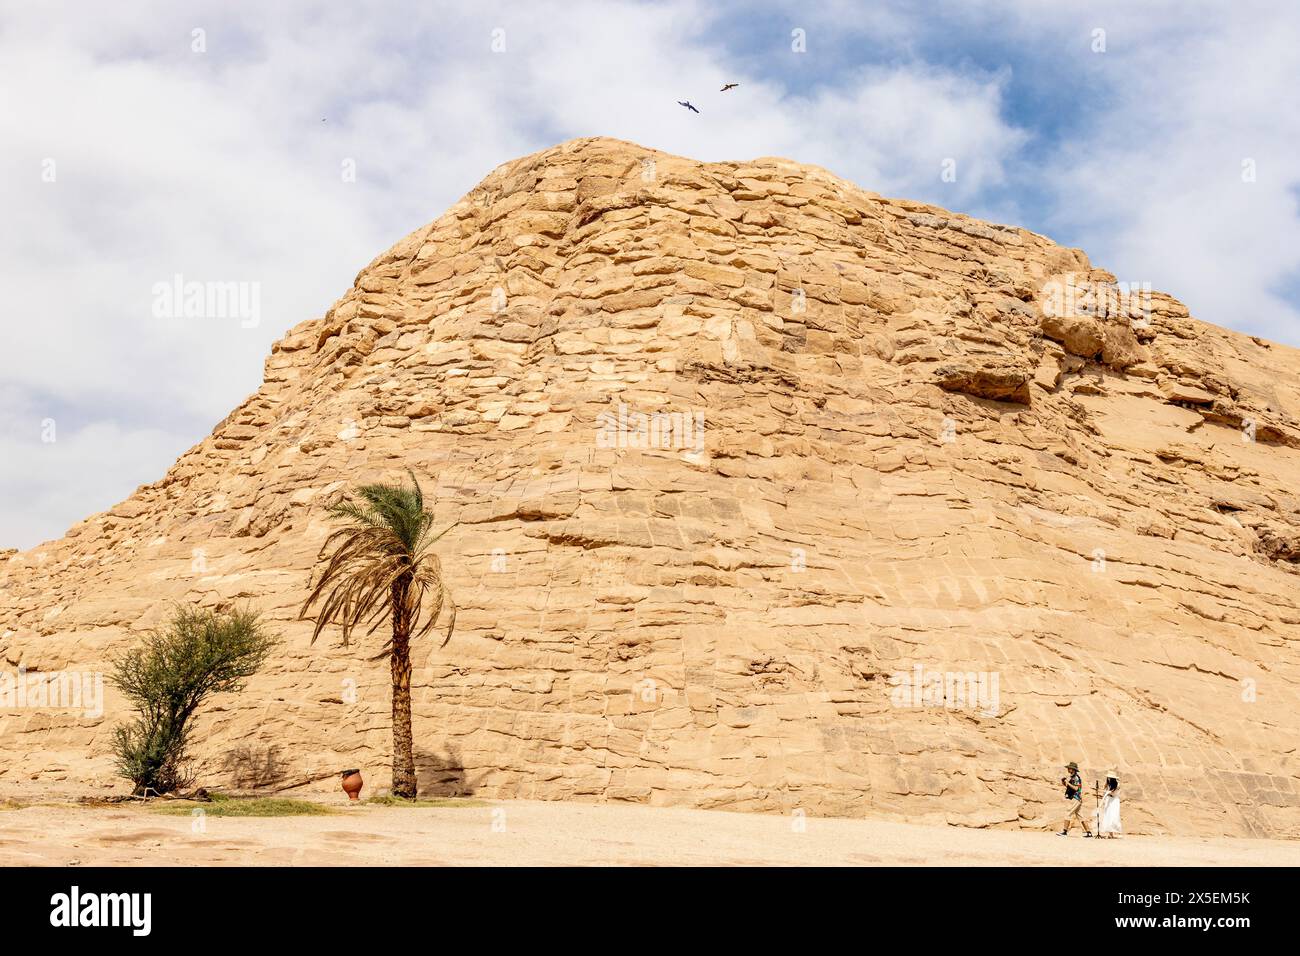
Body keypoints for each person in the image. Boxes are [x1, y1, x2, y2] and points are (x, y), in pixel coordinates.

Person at [1058, 761, 1092, 837]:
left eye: (1069, 768)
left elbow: (1076, 788)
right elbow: (1069, 787)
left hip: (1076, 798)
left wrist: (1068, 783)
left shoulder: (1076, 778)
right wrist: (1064, 782)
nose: (1068, 769)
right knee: (1080, 815)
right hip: (1077, 798)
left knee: (1068, 812)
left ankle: (1064, 831)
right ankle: (1089, 832)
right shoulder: (1073, 777)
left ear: (1073, 769)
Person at [1097, 771, 1121, 838]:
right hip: (1109, 800)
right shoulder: (1108, 784)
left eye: (1110, 777)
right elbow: (1105, 791)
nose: (1108, 778)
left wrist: (1107, 792)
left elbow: (1113, 793)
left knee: (1114, 816)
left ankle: (1115, 832)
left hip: (1114, 801)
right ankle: (1110, 833)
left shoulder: (1117, 784)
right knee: (1108, 815)